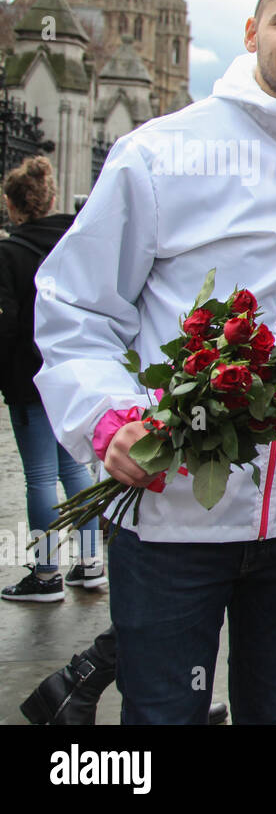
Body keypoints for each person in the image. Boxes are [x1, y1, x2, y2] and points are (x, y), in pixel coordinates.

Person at [32, 0, 276, 725]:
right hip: (172, 511)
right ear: (251, 29)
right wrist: (107, 421)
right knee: (163, 718)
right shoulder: (161, 152)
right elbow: (76, 307)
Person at [0, 156, 99, 603]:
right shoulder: (72, 241)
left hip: (29, 378)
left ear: (10, 204)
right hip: (73, 372)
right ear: (52, 198)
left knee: (39, 476)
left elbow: (6, 323)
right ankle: (91, 563)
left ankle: (45, 575)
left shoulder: (9, 252)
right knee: (74, 469)